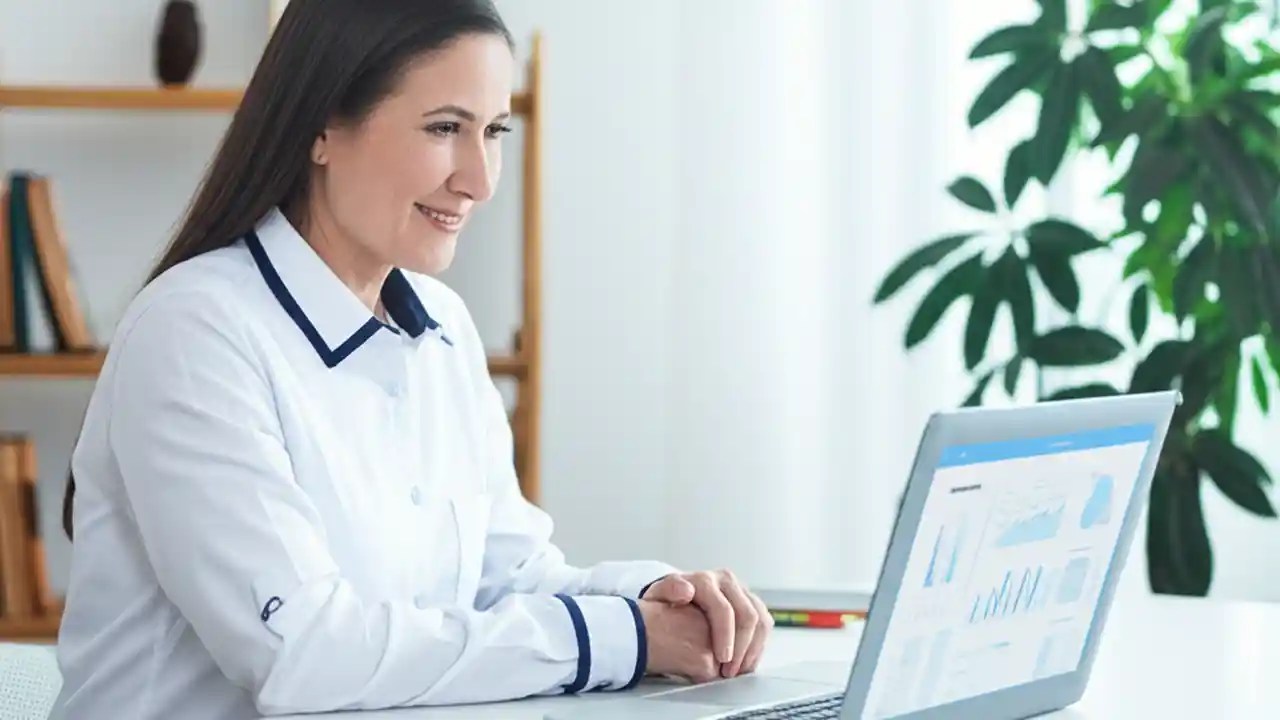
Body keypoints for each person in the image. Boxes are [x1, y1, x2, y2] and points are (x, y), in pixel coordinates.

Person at [50, 1, 772, 718]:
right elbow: (303, 653)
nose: (480, 179)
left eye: (493, 132)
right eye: (445, 128)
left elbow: (508, 579)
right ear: (322, 127)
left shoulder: (443, 329)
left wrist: (659, 603)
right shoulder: (195, 333)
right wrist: (625, 640)